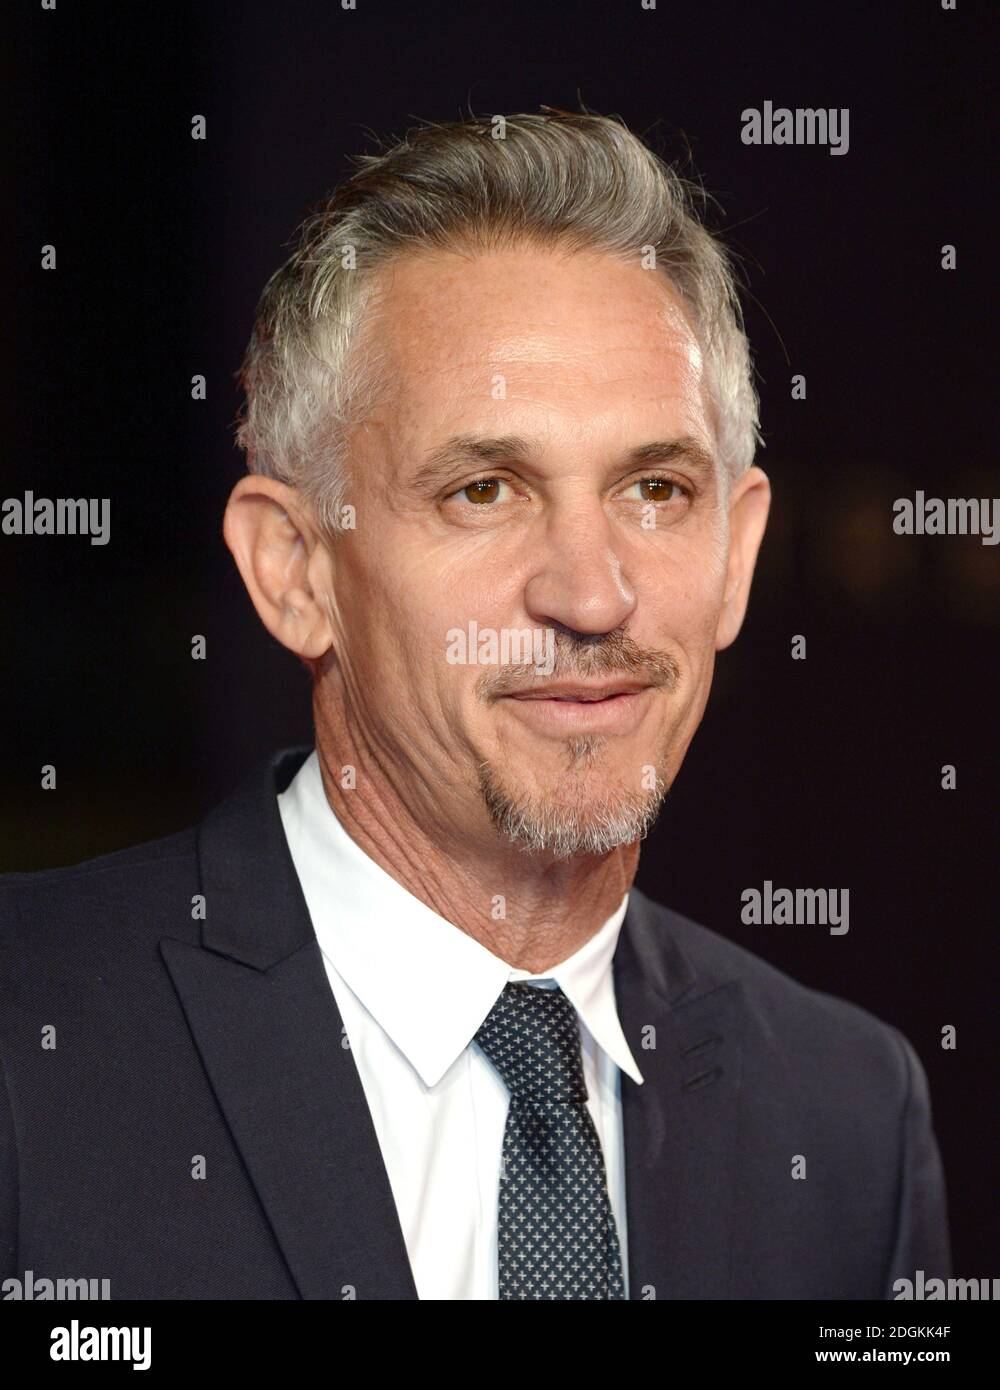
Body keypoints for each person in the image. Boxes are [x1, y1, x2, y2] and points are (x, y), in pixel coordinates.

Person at [0, 110, 950, 1300]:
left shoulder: (847, 1118)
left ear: (736, 554)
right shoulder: (28, 1043)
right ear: (296, 570)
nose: (593, 595)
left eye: (655, 489)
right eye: (484, 490)